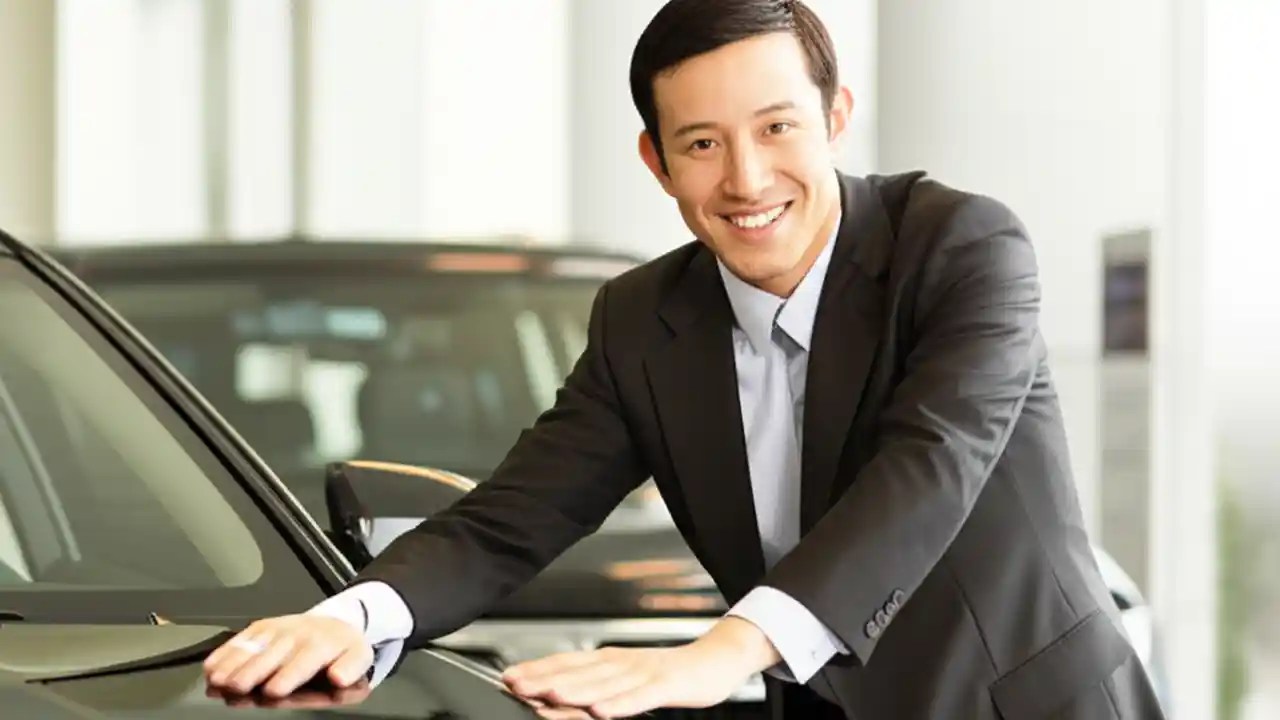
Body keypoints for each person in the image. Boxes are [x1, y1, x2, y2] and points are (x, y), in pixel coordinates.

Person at [204, 1, 1166, 717]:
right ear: (656, 161)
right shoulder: (642, 319)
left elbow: (929, 470)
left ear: (836, 116)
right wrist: (352, 616)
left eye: (778, 127)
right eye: (702, 143)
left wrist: (718, 655)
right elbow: (512, 519)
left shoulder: (960, 246)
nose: (746, 179)